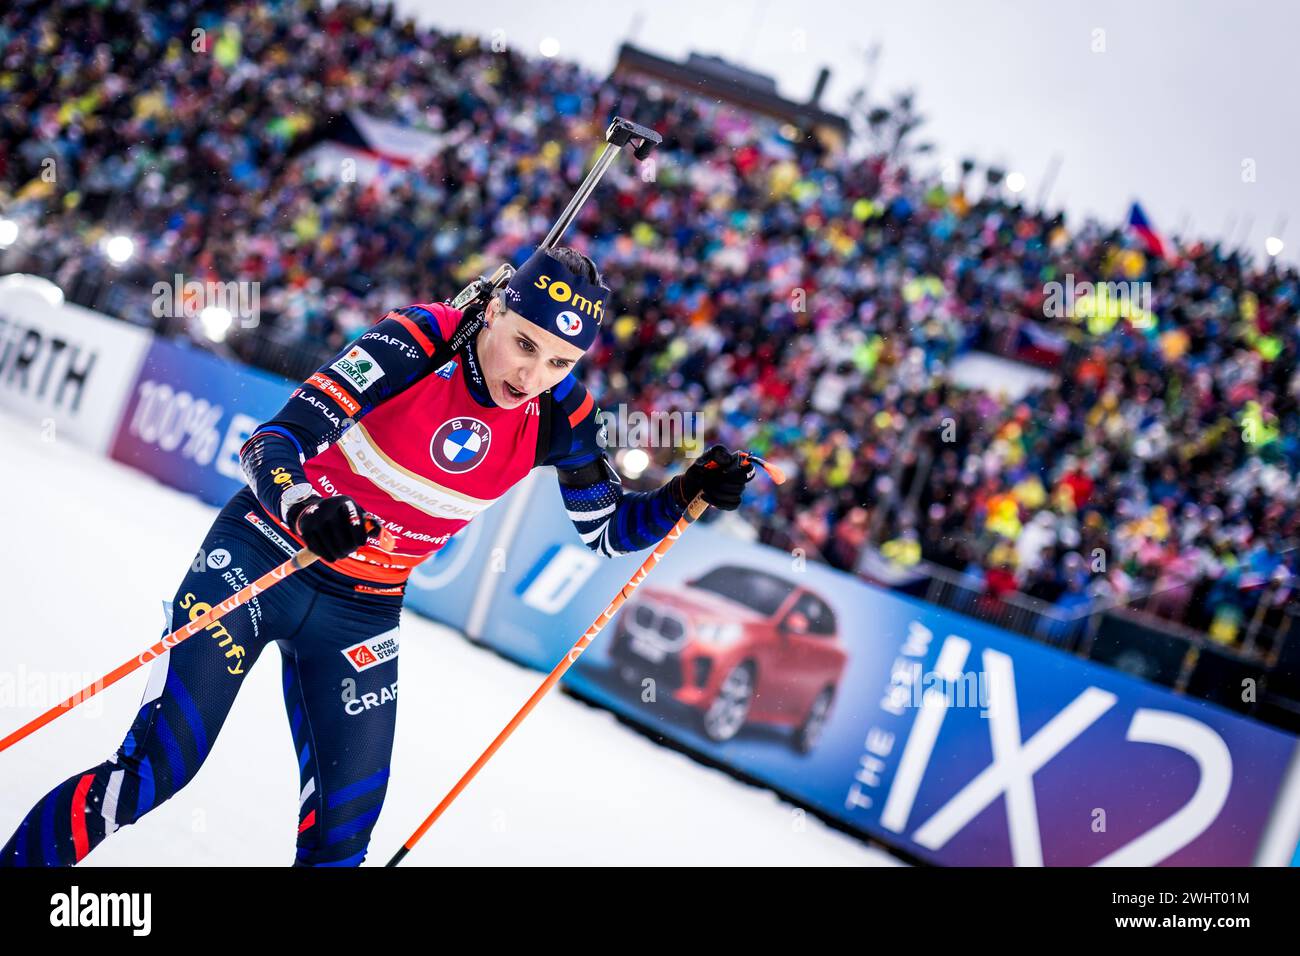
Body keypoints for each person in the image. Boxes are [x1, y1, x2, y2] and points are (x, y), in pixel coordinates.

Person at [1, 246, 756, 866]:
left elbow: (607, 532)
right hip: (267, 554)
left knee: (342, 845)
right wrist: (305, 505)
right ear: (495, 310)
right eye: (524, 343)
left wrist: (686, 490)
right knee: (158, 769)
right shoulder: (418, 342)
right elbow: (272, 442)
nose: (531, 376)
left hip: (363, 611)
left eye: (558, 362)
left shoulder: (563, 414)